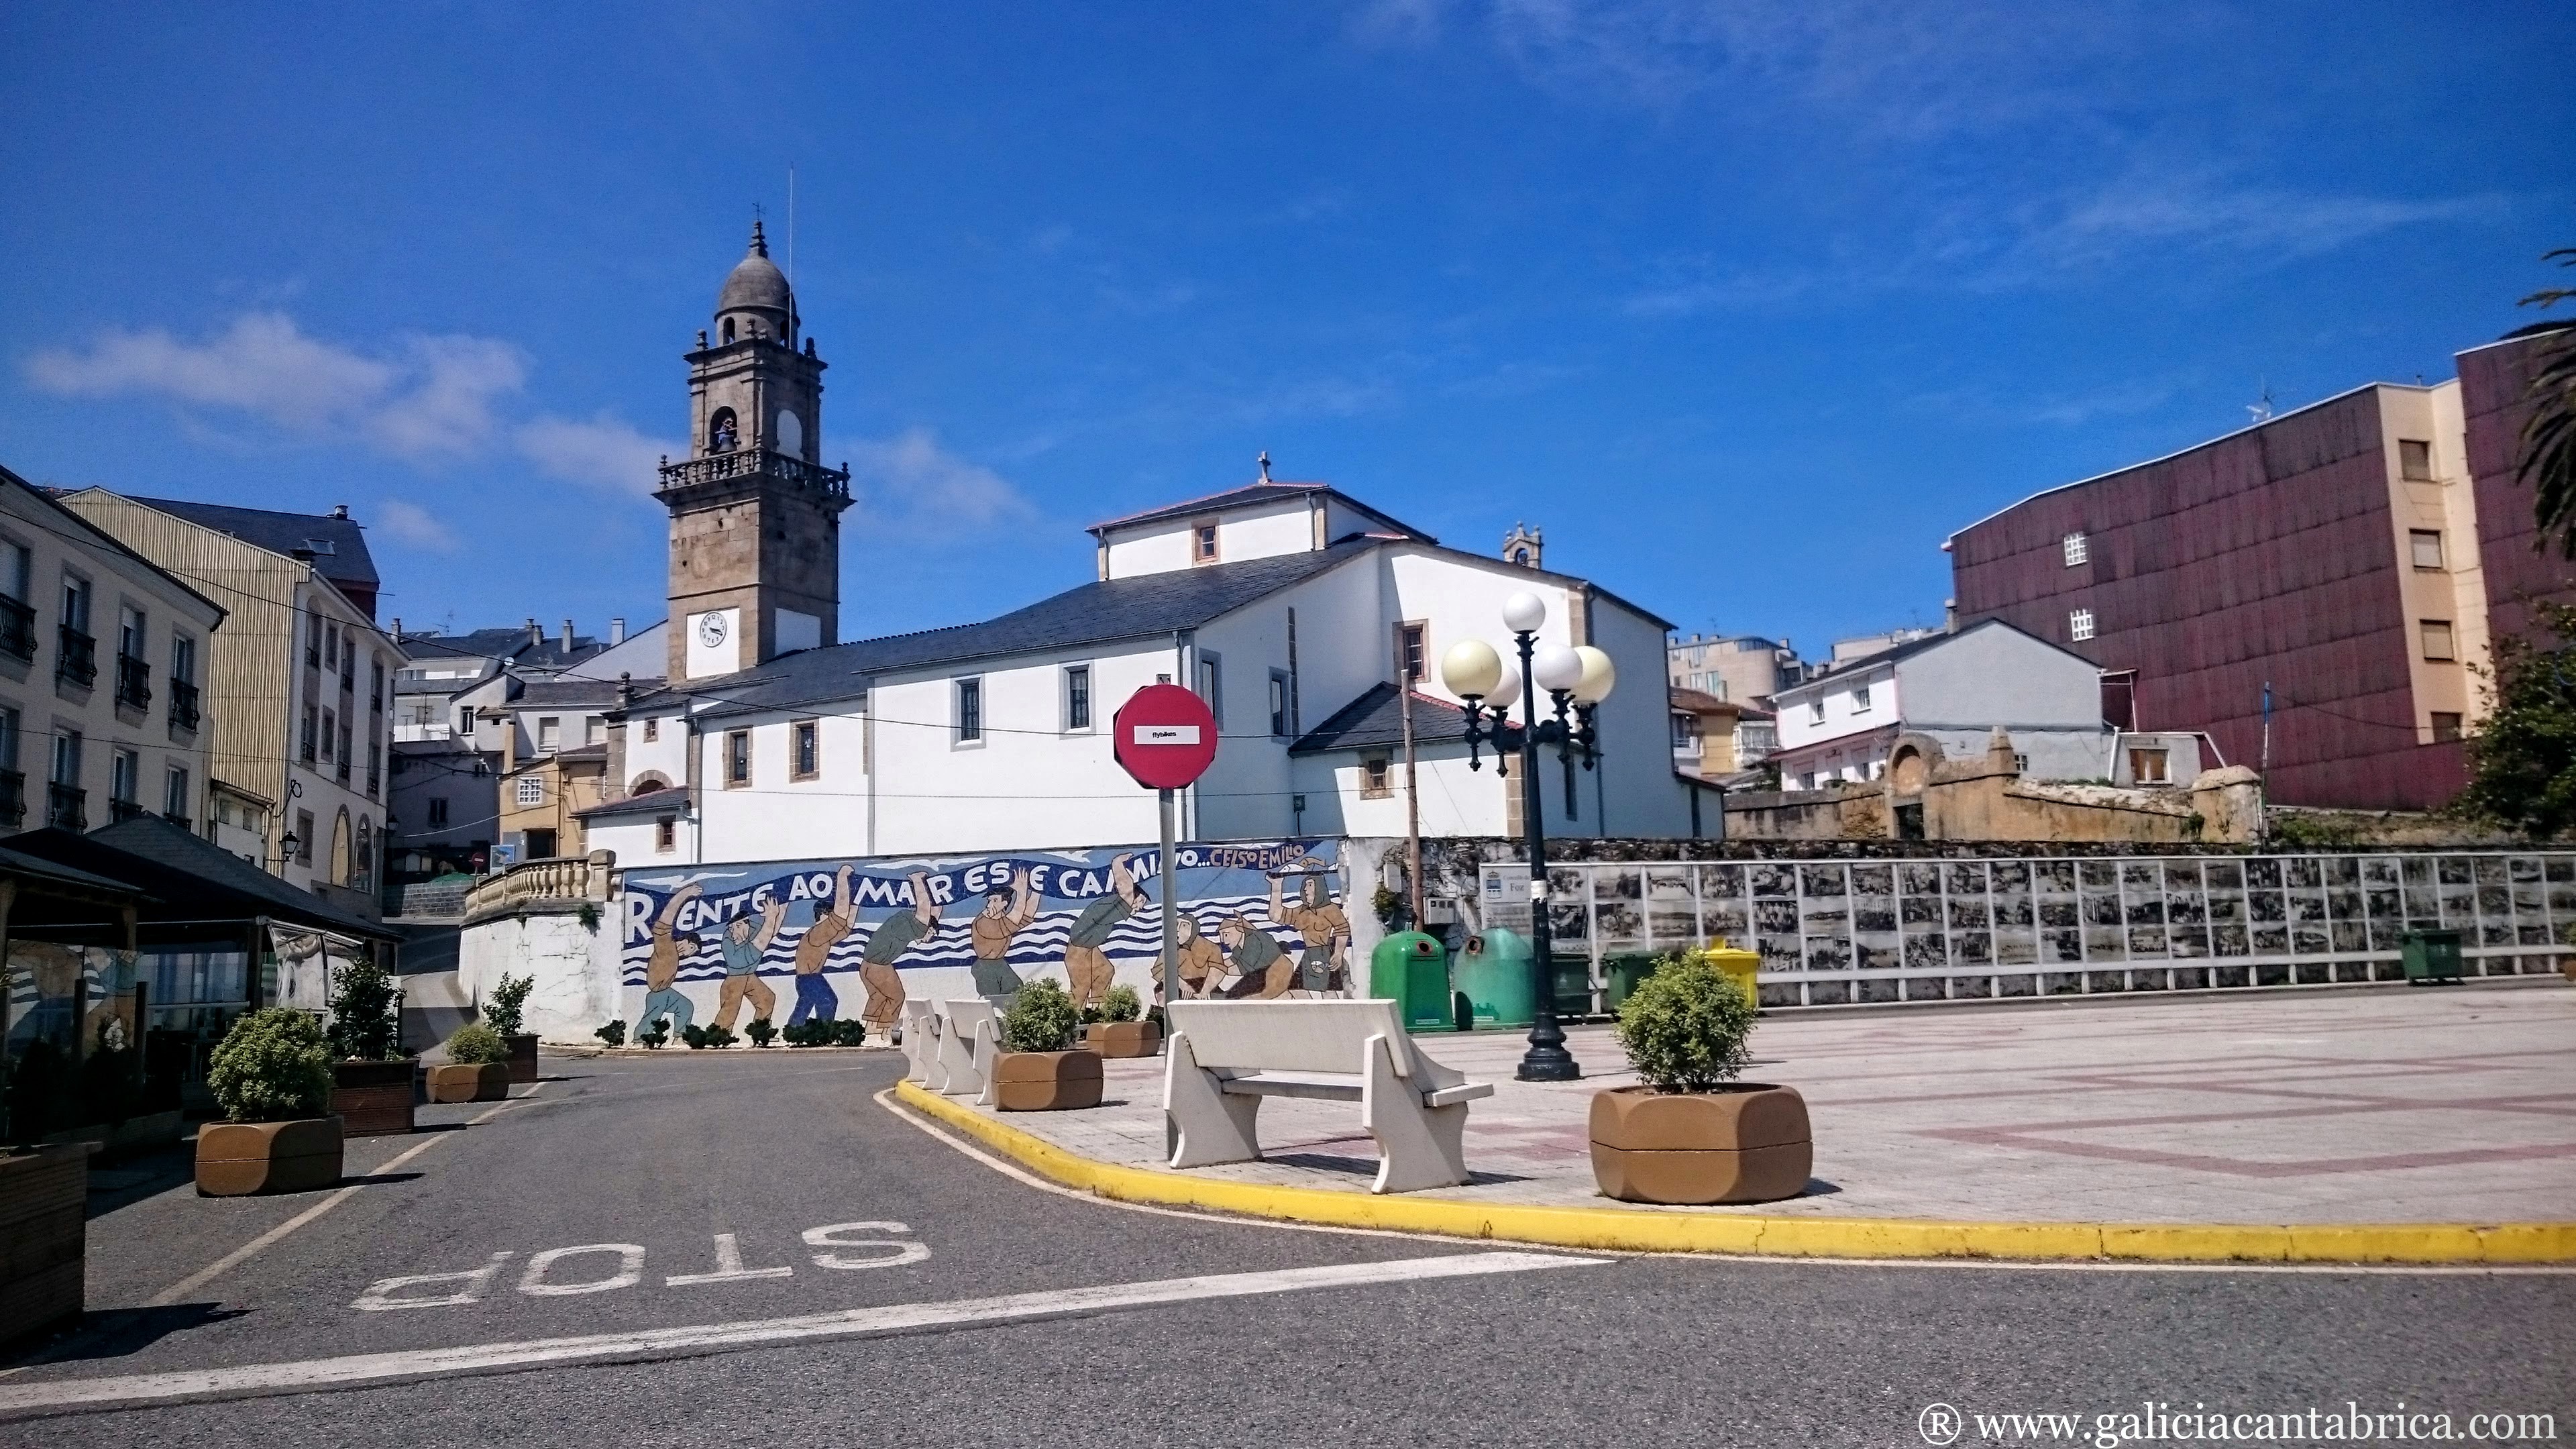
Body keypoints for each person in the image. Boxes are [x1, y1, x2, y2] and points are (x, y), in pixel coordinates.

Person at [859, 870, 941, 1041]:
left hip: (865, 966)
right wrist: (920, 882)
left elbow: (934, 912)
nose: (930, 937)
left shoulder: (903, 926)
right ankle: (887, 1030)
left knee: (879, 996)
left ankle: (872, 1027)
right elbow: (927, 910)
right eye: (932, 933)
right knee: (897, 996)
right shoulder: (914, 926)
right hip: (879, 967)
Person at [1061, 854, 1145, 1013]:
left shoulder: (1111, 907)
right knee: (1081, 987)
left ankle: (1097, 1011)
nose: (1140, 906)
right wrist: (1117, 864)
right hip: (1079, 950)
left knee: (1105, 971)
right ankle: (1071, 1018)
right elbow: (1125, 886)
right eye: (1140, 901)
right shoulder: (1115, 903)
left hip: (1089, 948)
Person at [784, 866, 855, 1028]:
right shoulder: (817, 933)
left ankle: (794, 1030)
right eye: (829, 914)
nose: (832, 917)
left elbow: (845, 930)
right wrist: (842, 876)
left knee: (805, 1006)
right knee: (828, 1001)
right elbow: (841, 916)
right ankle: (823, 1031)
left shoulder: (823, 937)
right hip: (810, 978)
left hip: (809, 978)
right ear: (822, 915)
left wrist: (855, 904)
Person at [636, 883, 703, 1038]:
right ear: (685, 940)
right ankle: (639, 1039)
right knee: (652, 1016)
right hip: (658, 993)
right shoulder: (667, 945)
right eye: (691, 948)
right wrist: (685, 894)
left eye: (693, 953)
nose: (689, 953)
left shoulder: (673, 954)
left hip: (664, 991)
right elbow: (663, 923)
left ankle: (679, 1037)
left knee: (685, 1007)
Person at [1272, 869, 1353, 998]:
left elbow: (1342, 928)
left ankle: (1333, 1014)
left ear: (1319, 887)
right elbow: (1276, 916)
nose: (1305, 889)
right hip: (1309, 954)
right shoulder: (1302, 911)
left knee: (1328, 991)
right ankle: (1313, 1012)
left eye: (1310, 885)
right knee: (1296, 988)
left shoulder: (1329, 908)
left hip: (1324, 953)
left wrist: (1338, 954)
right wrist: (1276, 886)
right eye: (1305, 885)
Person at [711, 894, 787, 1031]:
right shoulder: (727, 941)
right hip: (735, 979)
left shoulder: (752, 929)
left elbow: (771, 931)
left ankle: (760, 1033)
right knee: (730, 1009)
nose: (734, 931)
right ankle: (717, 1036)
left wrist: (783, 908)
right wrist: (770, 918)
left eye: (741, 924)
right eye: (735, 926)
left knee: (767, 999)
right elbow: (752, 951)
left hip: (750, 976)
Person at [969, 867, 1040, 1006]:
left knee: (1020, 993)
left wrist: (1038, 891)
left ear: (1005, 904)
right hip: (985, 967)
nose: (990, 904)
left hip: (1000, 965)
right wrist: (1021, 893)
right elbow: (1012, 921)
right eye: (990, 900)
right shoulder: (982, 923)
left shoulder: (1003, 920)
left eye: (995, 901)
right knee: (991, 1002)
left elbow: (1027, 915)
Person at [1213, 916, 1297, 1000]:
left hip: (1278, 970)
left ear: (1239, 930)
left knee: (1256, 997)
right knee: (1235, 995)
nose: (1223, 940)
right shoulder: (1240, 944)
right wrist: (1214, 963)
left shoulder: (1253, 940)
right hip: (1262, 971)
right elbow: (1232, 961)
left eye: (1226, 934)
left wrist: (1217, 966)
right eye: (1221, 936)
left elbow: (1239, 970)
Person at [1151, 913, 1225, 1005]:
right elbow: (1159, 970)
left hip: (1204, 984)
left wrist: (1203, 992)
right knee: (1161, 992)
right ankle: (1167, 1017)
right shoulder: (1170, 948)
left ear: (1193, 929)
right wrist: (1183, 985)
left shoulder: (1210, 947)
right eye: (1176, 925)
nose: (1178, 929)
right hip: (1178, 984)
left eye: (1184, 925)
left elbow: (1218, 971)